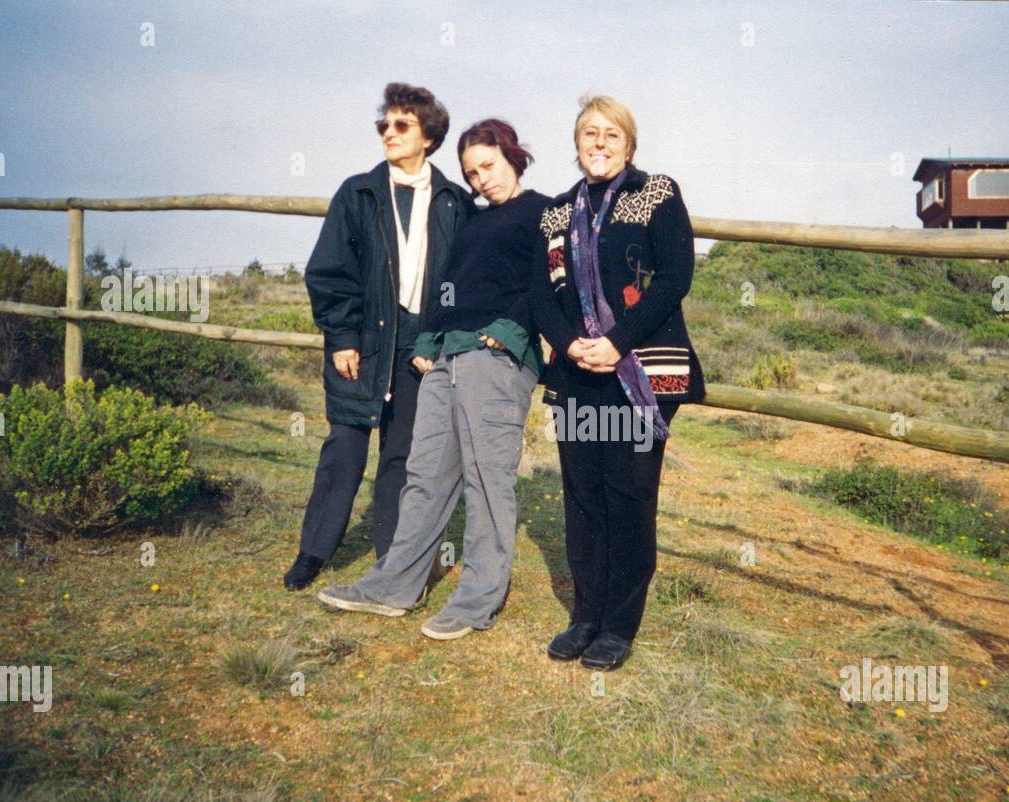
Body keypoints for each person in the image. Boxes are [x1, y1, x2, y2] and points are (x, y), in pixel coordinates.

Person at [316, 119, 551, 640]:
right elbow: (449, 287)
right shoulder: (472, 222)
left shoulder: (545, 212)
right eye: (471, 173)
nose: (481, 180)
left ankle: (475, 603)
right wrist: (429, 340)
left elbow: (549, 285)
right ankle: (394, 585)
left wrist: (509, 329)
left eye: (489, 165)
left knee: (487, 482)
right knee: (424, 475)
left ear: (513, 155)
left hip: (496, 358)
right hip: (447, 356)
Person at [531, 94, 705, 671]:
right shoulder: (556, 212)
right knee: (582, 495)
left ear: (629, 143)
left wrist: (617, 340)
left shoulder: (656, 194)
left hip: (641, 373)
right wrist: (571, 341)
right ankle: (585, 616)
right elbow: (540, 294)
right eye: (588, 133)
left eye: (611, 134)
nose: (599, 143)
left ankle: (619, 625)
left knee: (628, 495)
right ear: (576, 144)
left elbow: (675, 275)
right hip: (577, 373)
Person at [283, 83, 473, 591]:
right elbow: (329, 270)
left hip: (421, 347)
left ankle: (393, 555)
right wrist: (343, 336)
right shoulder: (358, 193)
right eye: (383, 125)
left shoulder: (455, 202)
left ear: (428, 137)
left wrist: (440, 339)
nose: (388, 133)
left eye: (401, 125)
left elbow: (462, 280)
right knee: (344, 446)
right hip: (363, 343)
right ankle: (314, 551)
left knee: (403, 453)